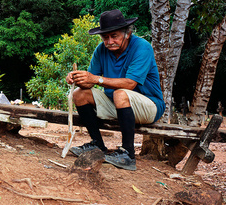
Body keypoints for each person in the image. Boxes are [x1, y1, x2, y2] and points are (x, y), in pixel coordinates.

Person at [65, 9, 164, 171]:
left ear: (127, 33)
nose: (109, 41)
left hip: (150, 106)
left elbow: (130, 84)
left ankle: (128, 154)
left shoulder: (142, 47)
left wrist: (96, 79)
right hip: (118, 104)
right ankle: (97, 145)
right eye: (105, 37)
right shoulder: (101, 50)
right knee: (79, 94)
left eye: (114, 36)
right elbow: (89, 83)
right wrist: (77, 79)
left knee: (120, 93)